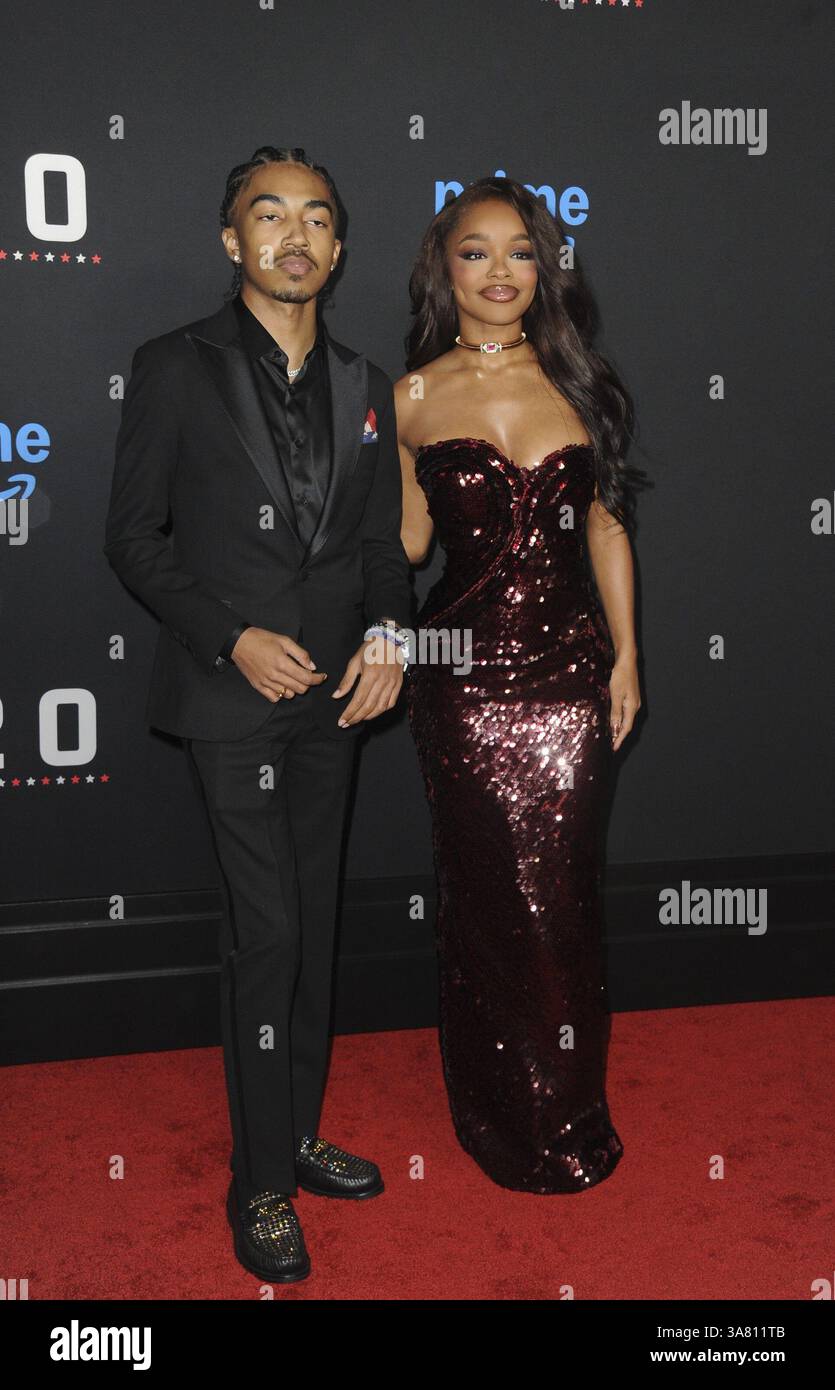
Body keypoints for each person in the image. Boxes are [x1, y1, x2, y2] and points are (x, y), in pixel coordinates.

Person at [103, 146, 412, 1281]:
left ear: (337, 246)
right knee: (268, 930)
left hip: (338, 698)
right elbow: (131, 537)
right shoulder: (172, 366)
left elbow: (382, 550)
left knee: (315, 924)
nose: (295, 234)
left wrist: (391, 635)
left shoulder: (365, 383)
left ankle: (294, 1129)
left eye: (317, 218)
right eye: (267, 215)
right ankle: (261, 1185)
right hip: (232, 697)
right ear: (231, 240)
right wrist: (229, 634)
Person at [395, 176, 646, 1194]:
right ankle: (501, 1108)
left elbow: (605, 528)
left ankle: (572, 1104)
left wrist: (629, 657)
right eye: (474, 250)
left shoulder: (579, 379)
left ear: (544, 267)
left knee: (563, 893)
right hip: (458, 675)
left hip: (570, 672)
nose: (498, 271)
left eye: (519, 251)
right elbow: (403, 547)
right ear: (442, 266)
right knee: (490, 893)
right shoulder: (410, 395)